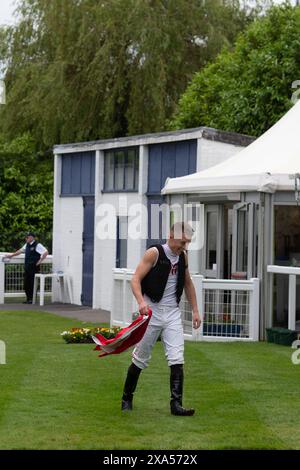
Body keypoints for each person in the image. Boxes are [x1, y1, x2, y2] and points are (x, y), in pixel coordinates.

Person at [121, 222, 201, 416]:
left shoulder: (183, 257)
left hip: (172, 312)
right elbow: (135, 279)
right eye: (182, 242)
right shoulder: (155, 253)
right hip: (152, 310)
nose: (184, 246)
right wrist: (141, 302)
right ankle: (126, 398)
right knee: (141, 357)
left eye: (187, 243)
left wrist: (196, 310)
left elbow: (188, 284)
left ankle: (176, 404)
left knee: (177, 357)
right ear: (171, 235)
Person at [6, 232, 48, 304]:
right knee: (26, 284)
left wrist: (40, 261)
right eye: (26, 237)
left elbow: (45, 252)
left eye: (27, 237)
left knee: (32, 284)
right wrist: (11, 255)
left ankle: (32, 299)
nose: (26, 238)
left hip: (34, 268)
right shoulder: (27, 245)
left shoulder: (38, 245)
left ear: (32, 237)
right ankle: (28, 299)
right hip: (27, 267)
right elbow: (20, 251)